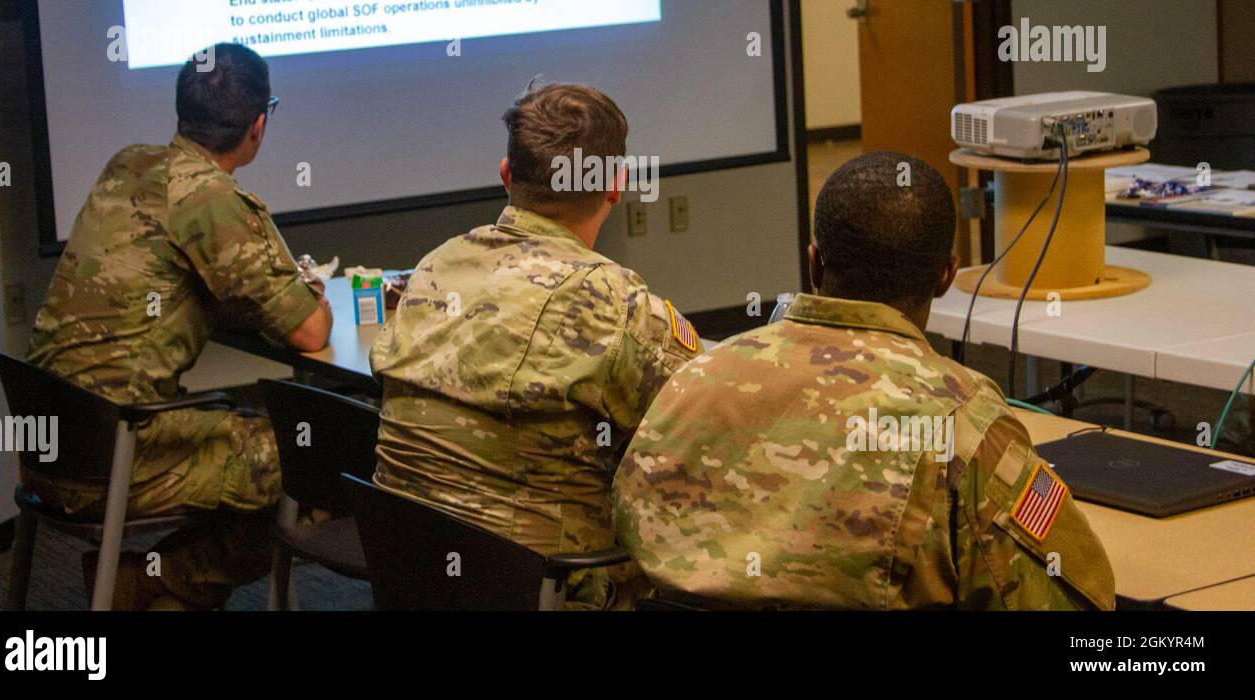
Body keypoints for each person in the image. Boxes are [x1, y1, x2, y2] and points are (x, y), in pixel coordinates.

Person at [613, 151, 1115, 610]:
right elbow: (1074, 601)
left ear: (813, 264)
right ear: (946, 276)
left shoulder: (691, 379)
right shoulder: (961, 425)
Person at [370, 81, 700, 608]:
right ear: (616, 186)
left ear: (506, 177)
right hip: (548, 585)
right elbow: (705, 428)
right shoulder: (618, 305)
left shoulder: (436, 265)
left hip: (410, 569)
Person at [26, 42, 331, 609]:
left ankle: (156, 590)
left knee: (250, 432)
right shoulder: (214, 199)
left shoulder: (129, 164)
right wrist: (307, 289)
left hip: (50, 444)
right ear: (258, 126)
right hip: (118, 454)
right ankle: (152, 582)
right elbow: (310, 333)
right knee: (319, 460)